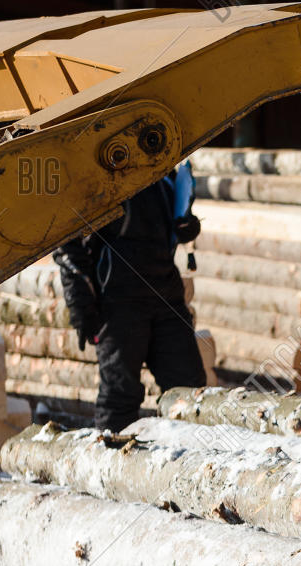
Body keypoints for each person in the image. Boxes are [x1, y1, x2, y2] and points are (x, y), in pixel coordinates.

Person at [54, 162, 205, 432]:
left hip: (166, 295)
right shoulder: (92, 164)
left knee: (190, 392)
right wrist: (79, 300)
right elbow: (67, 242)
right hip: (117, 300)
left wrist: (186, 226)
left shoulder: (159, 163)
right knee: (120, 396)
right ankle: (113, 468)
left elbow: (176, 212)